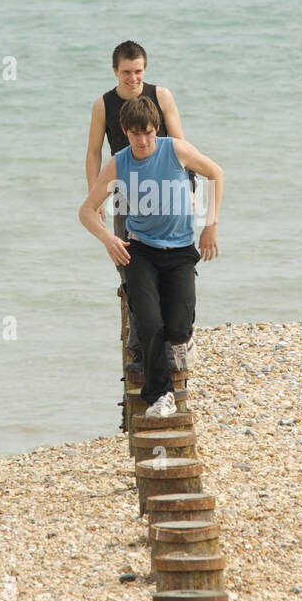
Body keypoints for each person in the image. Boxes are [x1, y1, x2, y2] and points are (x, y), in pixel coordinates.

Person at [79, 96, 223, 417]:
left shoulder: (176, 150)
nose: (142, 141)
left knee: (177, 327)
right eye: (134, 134)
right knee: (149, 322)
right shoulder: (118, 163)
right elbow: (86, 211)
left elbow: (215, 173)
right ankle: (161, 394)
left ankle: (184, 340)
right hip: (140, 250)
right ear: (125, 133)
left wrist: (210, 226)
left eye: (147, 133)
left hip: (180, 250)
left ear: (155, 129)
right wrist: (107, 239)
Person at [85, 40, 194, 371]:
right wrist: (95, 194)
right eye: (126, 72)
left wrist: (188, 187)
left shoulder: (161, 97)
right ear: (115, 71)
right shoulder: (104, 105)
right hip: (122, 191)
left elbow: (180, 144)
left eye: (138, 72)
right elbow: (93, 152)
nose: (133, 78)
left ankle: (172, 338)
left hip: (164, 189)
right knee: (129, 265)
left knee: (172, 263)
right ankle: (140, 345)